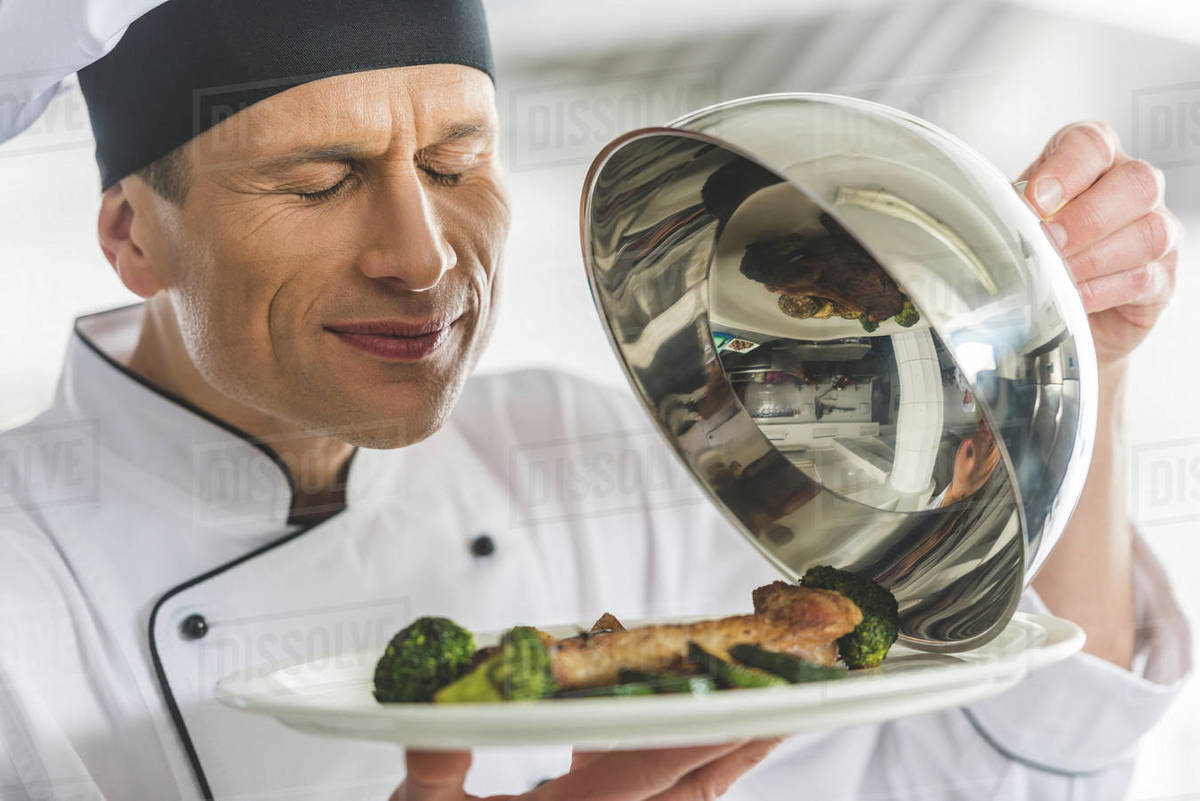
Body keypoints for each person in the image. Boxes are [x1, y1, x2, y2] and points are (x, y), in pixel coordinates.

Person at [0, 1, 1189, 799]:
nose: (422, 259)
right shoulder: (20, 580)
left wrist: (1086, 363)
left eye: (458, 166)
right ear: (131, 239)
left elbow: (1001, 776)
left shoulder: (574, 447)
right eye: (318, 183)